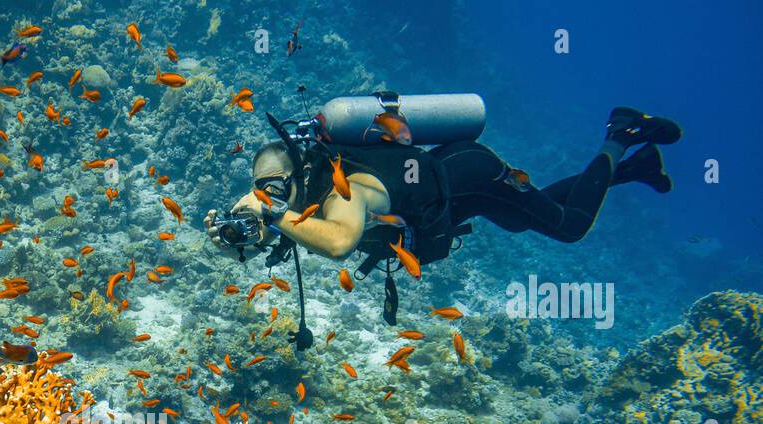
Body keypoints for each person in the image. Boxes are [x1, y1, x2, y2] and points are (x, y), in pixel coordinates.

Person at [206, 106, 680, 322]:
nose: (269, 197)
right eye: (260, 190)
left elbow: (337, 242)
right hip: (441, 196)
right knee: (520, 217)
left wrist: (269, 215)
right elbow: (288, 228)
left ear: (300, 170)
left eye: (274, 188)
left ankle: (619, 134)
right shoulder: (303, 195)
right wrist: (239, 237)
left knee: (568, 226)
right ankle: (636, 168)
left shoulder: (345, 187)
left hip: (469, 173)